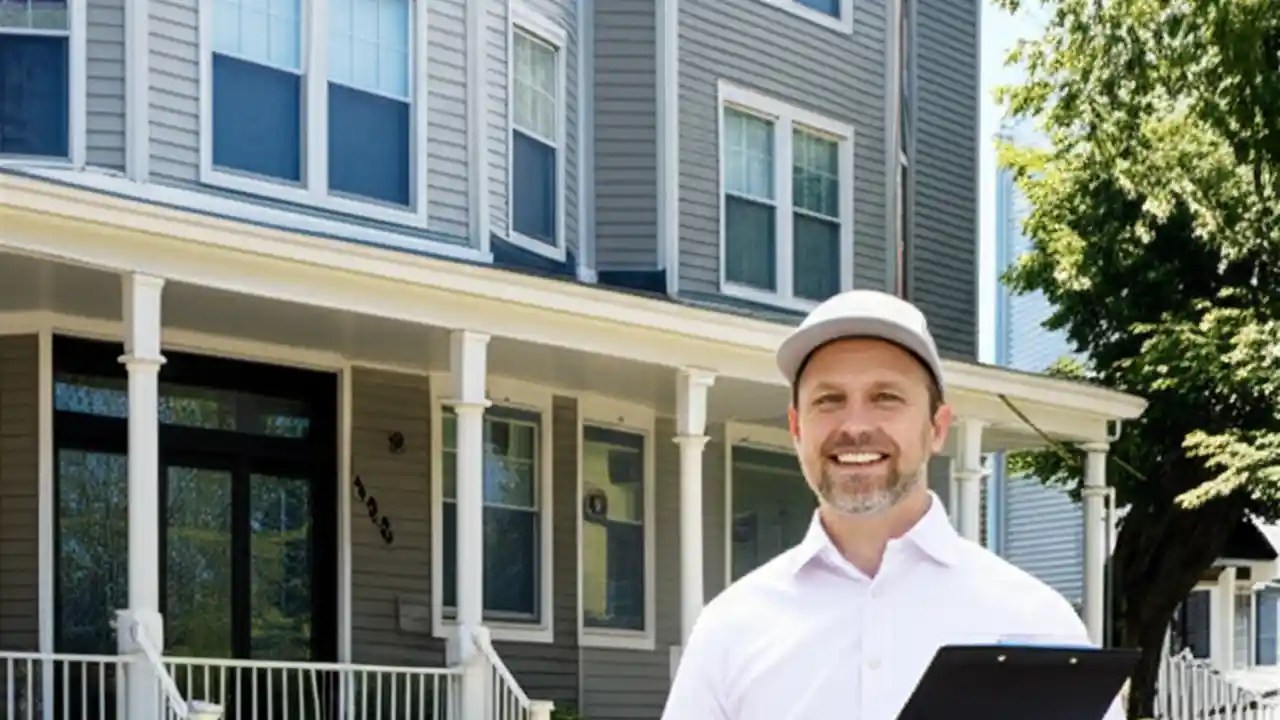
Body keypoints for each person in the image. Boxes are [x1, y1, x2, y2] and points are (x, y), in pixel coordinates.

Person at [661, 289, 1123, 720]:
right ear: (797, 428)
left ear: (937, 428)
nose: (855, 424)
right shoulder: (730, 629)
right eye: (829, 399)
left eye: (886, 397)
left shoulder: (1035, 622)